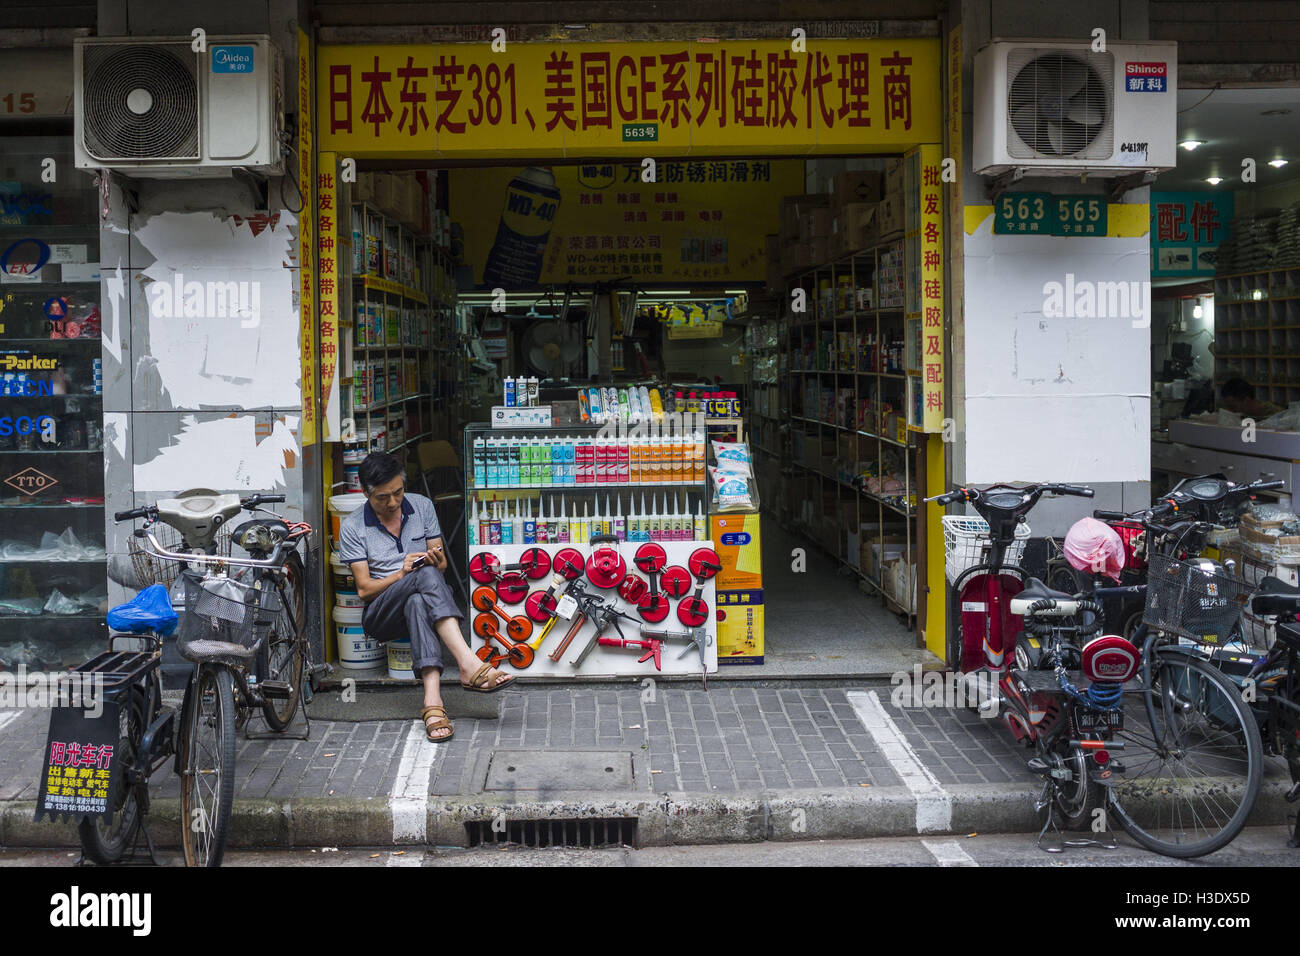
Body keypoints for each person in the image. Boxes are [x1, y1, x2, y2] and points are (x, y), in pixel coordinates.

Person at [338, 451, 513, 743]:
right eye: (383, 497)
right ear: (366, 493)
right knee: (423, 576)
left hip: (422, 602)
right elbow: (364, 589)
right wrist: (402, 574)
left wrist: (433, 561)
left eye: (398, 492)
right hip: (381, 614)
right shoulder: (353, 526)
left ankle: (433, 705)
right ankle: (468, 663)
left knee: (420, 594)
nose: (393, 503)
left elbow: (441, 565)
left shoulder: (422, 506)